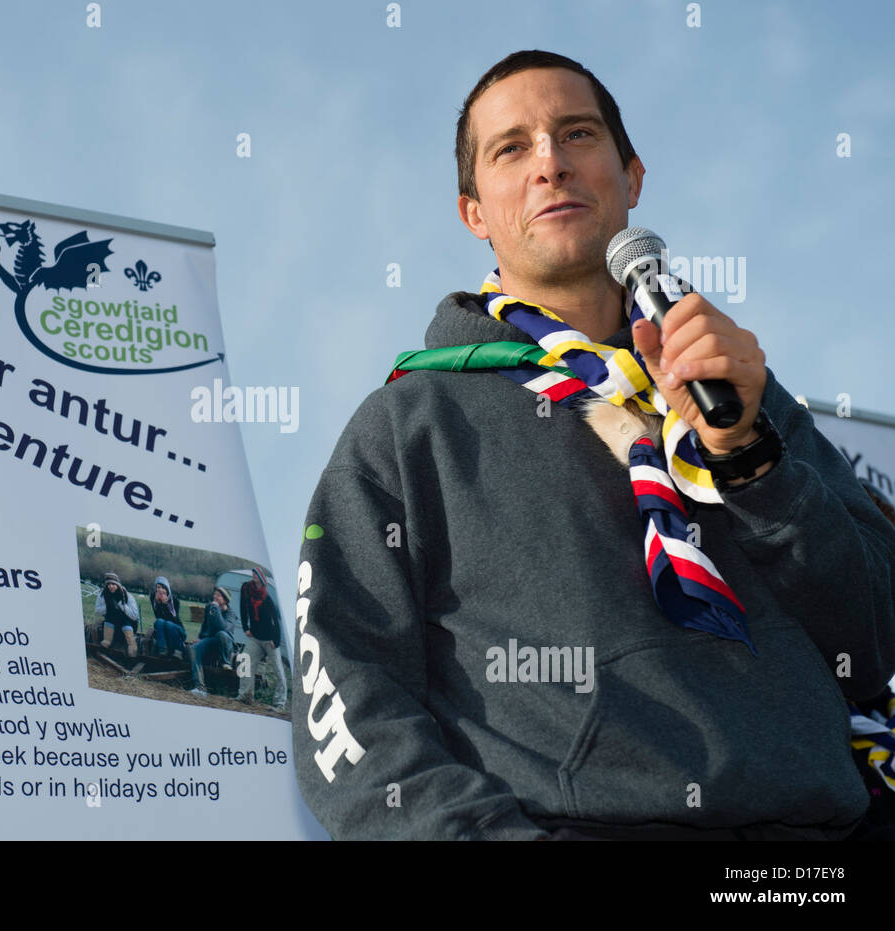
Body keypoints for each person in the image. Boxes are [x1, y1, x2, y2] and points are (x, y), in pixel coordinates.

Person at [291, 49, 895, 840]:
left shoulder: (741, 391)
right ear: (474, 212)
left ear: (632, 175)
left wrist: (750, 457)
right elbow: (344, 690)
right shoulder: (412, 424)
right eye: (512, 148)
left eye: (576, 134)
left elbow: (873, 635)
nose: (550, 163)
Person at [237, 567, 288, 712]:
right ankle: (245, 695)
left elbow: (275, 621)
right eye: (253, 574)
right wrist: (245, 627)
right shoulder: (247, 589)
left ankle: (279, 703)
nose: (254, 577)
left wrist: (276, 640)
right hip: (255, 637)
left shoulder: (267, 599)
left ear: (262, 580)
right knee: (244, 661)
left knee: (278, 670)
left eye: (257, 575)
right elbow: (243, 607)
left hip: (270, 640)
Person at [188, 587, 237, 697]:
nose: (215, 597)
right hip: (210, 640)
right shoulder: (210, 608)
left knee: (221, 634)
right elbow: (205, 625)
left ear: (225, 600)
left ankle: (226, 662)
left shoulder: (230, 614)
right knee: (194, 648)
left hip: (224, 643)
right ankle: (200, 687)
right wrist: (200, 637)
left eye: (218, 595)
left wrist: (216, 609)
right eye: (214, 594)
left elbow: (222, 628)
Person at [94, 572, 139, 657]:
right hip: (112, 621)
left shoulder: (127, 595)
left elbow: (135, 615)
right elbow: (97, 610)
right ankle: (106, 641)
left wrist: (121, 605)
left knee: (126, 623)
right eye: (109, 584)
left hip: (127, 621)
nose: (111, 586)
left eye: (113, 584)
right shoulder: (103, 595)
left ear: (118, 584)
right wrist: (108, 607)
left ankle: (132, 646)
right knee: (109, 618)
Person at [149, 575, 186, 657]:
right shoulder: (153, 598)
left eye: (163, 588)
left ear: (167, 589)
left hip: (177, 629)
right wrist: (159, 604)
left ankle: (178, 650)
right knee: (159, 622)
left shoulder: (175, 601)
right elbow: (158, 617)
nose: (160, 590)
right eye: (158, 587)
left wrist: (165, 605)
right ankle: (162, 649)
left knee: (168, 624)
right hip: (164, 627)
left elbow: (174, 619)